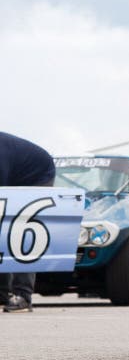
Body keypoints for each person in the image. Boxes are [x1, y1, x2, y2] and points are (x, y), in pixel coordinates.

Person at [0, 132, 56, 313]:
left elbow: (2, 192)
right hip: (15, 177)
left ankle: (23, 295)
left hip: (38, 176)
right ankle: (1, 294)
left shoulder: (1, 153)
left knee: (20, 233)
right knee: (2, 232)